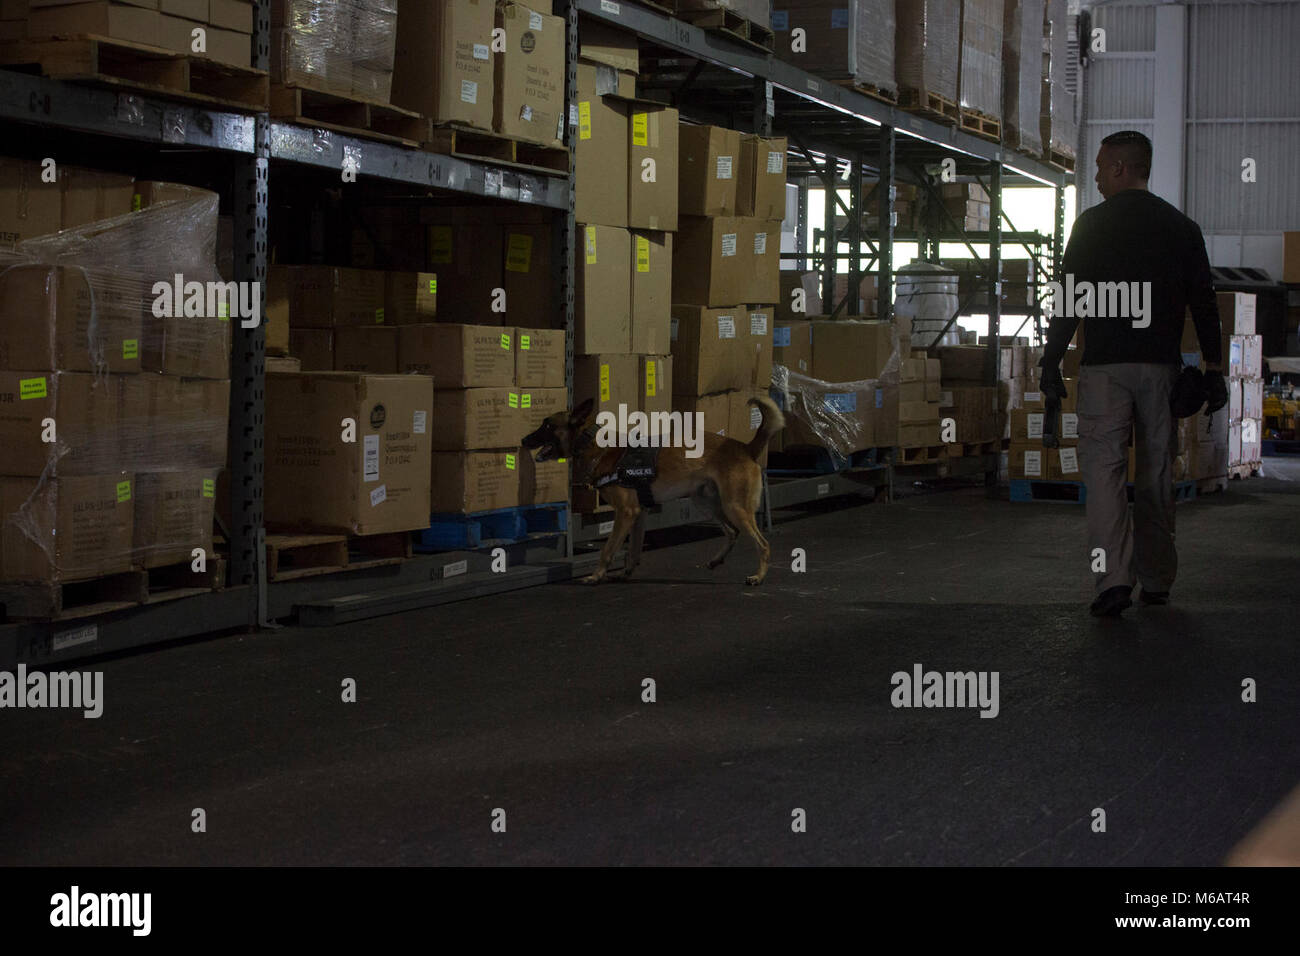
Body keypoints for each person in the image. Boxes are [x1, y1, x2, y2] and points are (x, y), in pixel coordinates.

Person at [1040, 130, 1228, 617]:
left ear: (1122, 168)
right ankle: (1157, 579)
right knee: (1156, 472)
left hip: (1104, 370)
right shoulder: (1181, 227)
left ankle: (1112, 582)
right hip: (1161, 370)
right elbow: (1205, 306)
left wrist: (1051, 361)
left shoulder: (1092, 225)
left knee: (1103, 474)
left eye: (1102, 167)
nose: (1098, 177)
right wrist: (1214, 368)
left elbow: (1068, 300)